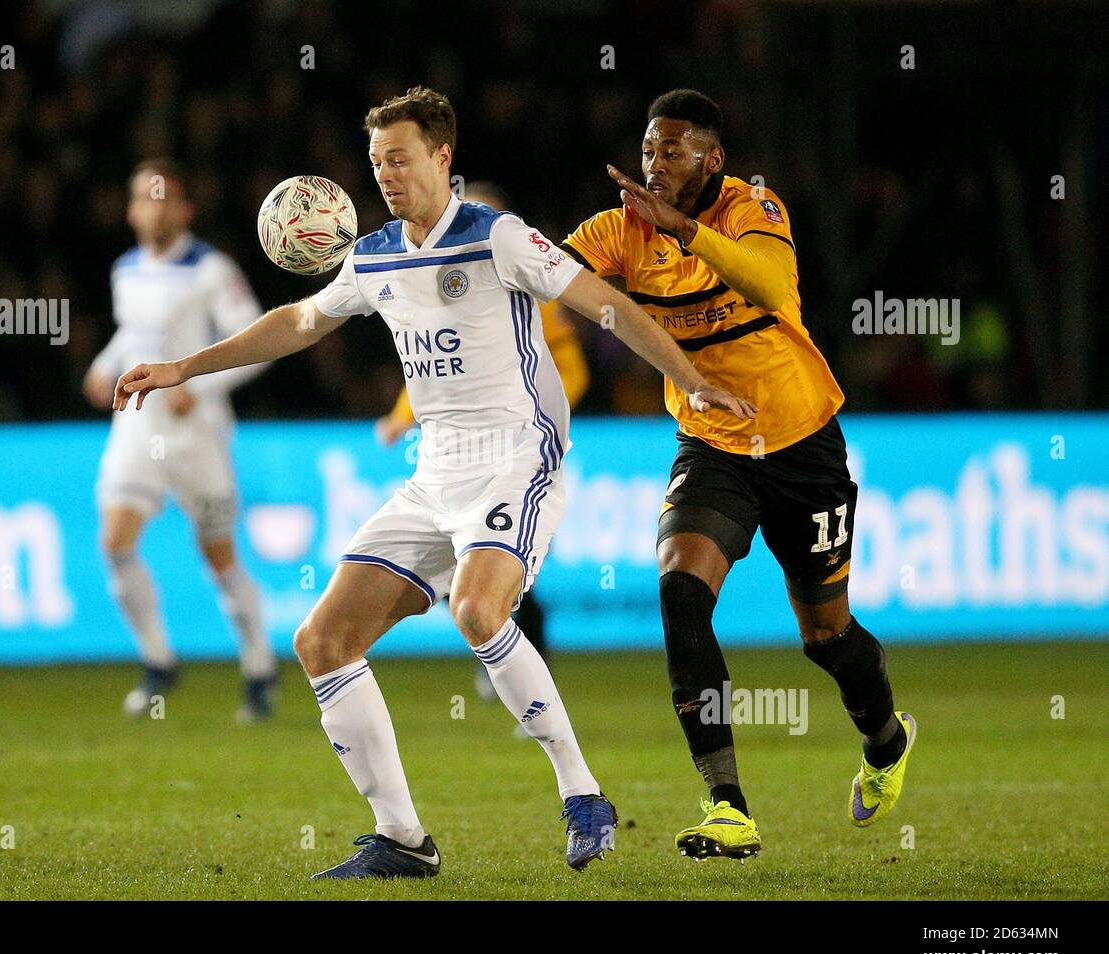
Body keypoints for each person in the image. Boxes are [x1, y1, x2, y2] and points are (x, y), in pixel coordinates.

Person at [113, 87, 754, 879]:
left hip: (516, 453)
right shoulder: (374, 253)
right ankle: (403, 838)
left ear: (443, 159)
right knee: (320, 641)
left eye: (400, 157)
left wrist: (689, 379)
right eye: (378, 160)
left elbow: (607, 306)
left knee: (477, 609)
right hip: (434, 468)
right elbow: (301, 321)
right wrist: (185, 364)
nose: (385, 174)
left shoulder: (500, 238)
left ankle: (582, 791)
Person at [562, 89, 915, 860]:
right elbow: (545, 271)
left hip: (800, 440)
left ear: (713, 159)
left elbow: (772, 286)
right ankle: (727, 805)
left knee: (825, 635)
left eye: (675, 151)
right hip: (711, 442)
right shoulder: (621, 227)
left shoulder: (753, 208)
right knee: (680, 588)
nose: (656, 165)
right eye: (650, 150)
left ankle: (886, 739)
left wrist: (685, 230)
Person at [374, 180, 591, 704]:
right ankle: (508, 666)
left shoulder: (526, 291)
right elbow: (434, 367)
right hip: (456, 459)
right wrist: (402, 417)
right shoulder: (438, 286)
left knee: (505, 576)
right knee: (467, 571)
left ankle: (528, 672)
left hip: (522, 449)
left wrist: (543, 415)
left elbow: (570, 367)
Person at [82, 159, 277, 723]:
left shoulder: (211, 270)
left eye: (166, 197)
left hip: (197, 433)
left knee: (218, 557)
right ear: (131, 210)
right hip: (138, 426)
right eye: (146, 197)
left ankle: (259, 668)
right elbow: (134, 333)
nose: (155, 207)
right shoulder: (125, 269)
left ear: (186, 209)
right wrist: (105, 364)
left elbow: (254, 340)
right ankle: (158, 660)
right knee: (115, 541)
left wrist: (202, 383)